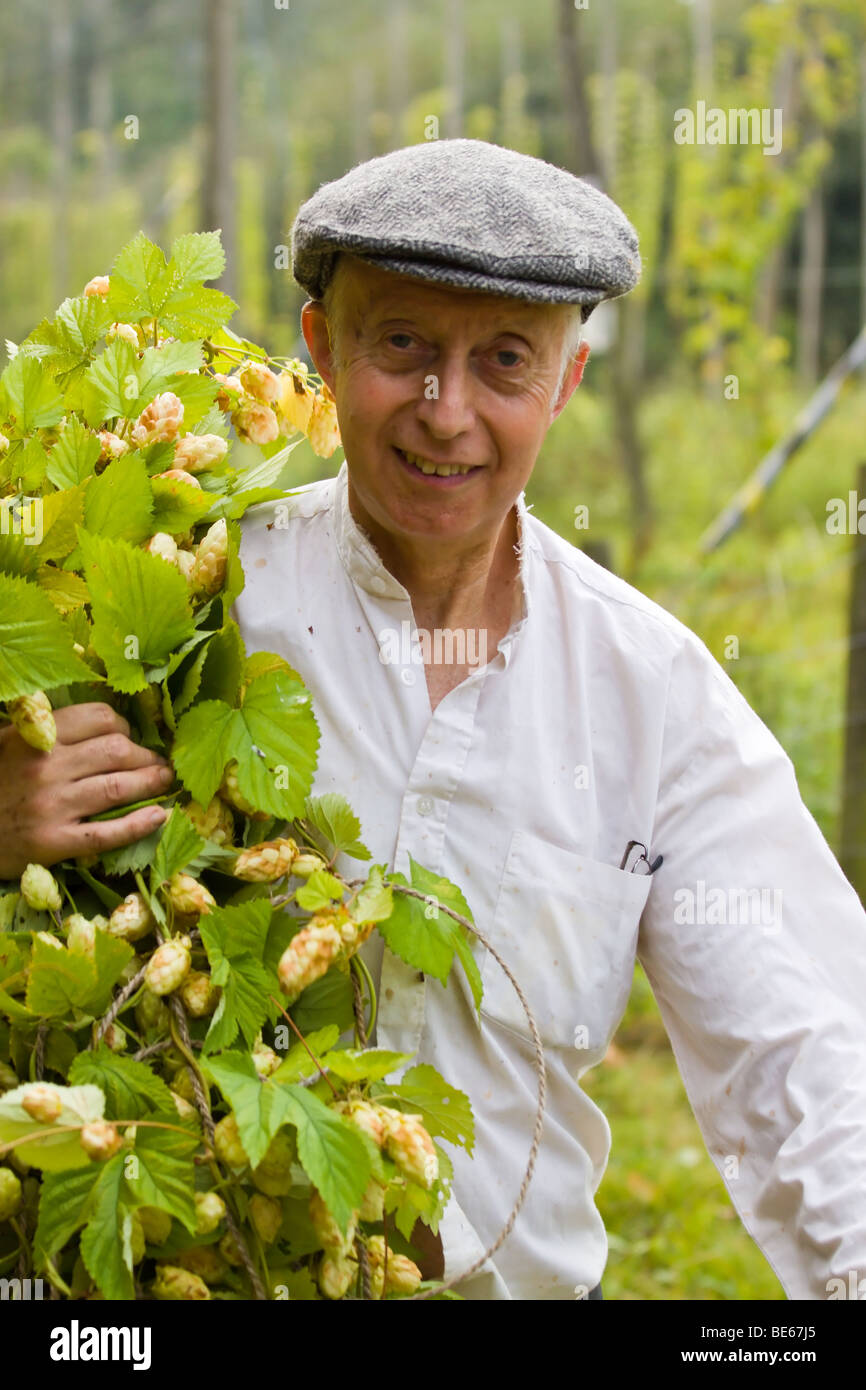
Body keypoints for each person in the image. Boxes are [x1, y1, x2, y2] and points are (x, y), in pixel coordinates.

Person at [2, 139, 865, 1301]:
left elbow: (804, 1053)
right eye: (401, 344)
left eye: (503, 361)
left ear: (565, 383)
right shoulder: (183, 601)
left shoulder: (648, 688)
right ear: (319, 348)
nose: (443, 411)